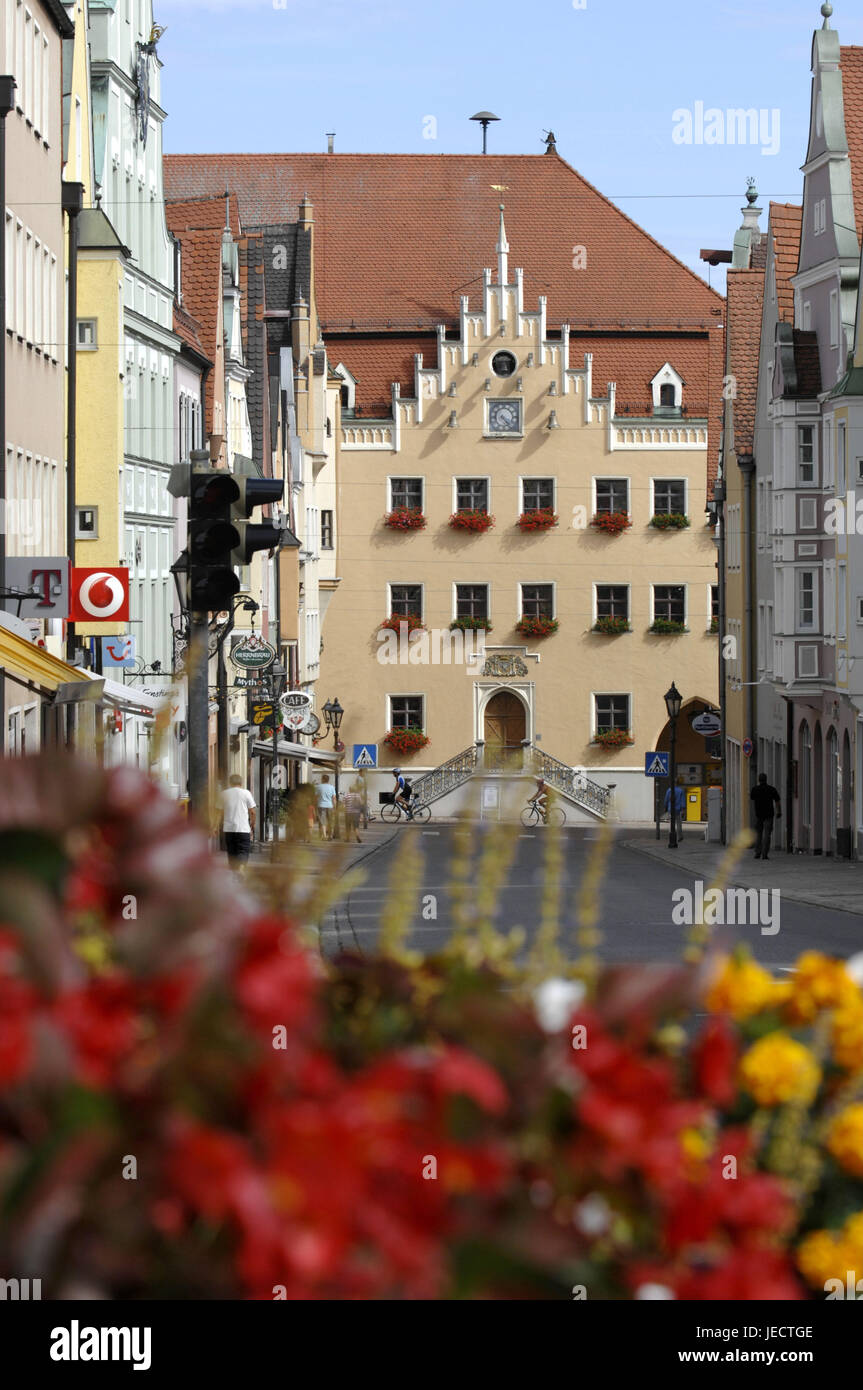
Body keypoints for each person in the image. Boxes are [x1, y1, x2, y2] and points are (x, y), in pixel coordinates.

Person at [220, 774, 256, 871]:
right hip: (243, 829)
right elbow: (252, 812)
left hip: (229, 828)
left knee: (231, 851)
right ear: (241, 783)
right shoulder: (246, 793)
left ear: (230, 783)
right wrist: (252, 825)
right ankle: (241, 867)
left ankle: (234, 871)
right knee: (243, 850)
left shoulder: (224, 794)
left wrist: (214, 826)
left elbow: (218, 812)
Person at [750, 772, 781, 860]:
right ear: (766, 779)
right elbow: (777, 801)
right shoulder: (771, 789)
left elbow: (752, 798)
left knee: (758, 834)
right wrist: (779, 812)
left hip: (759, 814)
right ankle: (764, 854)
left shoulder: (755, 789)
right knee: (767, 834)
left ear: (758, 780)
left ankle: (757, 852)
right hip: (769, 814)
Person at [315, 774, 337, 840]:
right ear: (328, 780)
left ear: (323, 779)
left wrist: (315, 804)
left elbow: (315, 797)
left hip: (321, 805)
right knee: (330, 821)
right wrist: (335, 806)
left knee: (323, 821)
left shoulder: (318, 787)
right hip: (330, 806)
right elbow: (334, 798)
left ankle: (324, 836)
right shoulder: (332, 787)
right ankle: (330, 835)